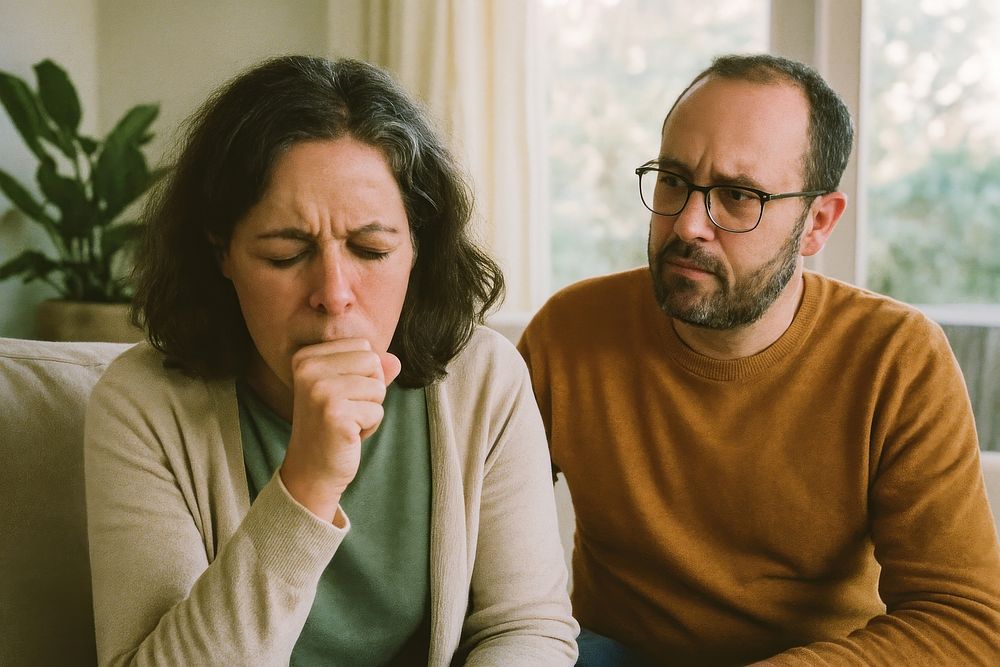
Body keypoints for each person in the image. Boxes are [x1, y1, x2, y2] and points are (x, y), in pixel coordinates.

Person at [84, 55, 577, 666]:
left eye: (371, 250)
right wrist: (307, 484)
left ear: (417, 247)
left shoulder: (484, 380)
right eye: (286, 254)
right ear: (222, 253)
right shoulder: (142, 406)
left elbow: (526, 629)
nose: (334, 293)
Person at [519, 53, 1000, 665]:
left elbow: (965, 622)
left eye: (738, 196)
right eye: (672, 180)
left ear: (816, 224)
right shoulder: (570, 331)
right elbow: (470, 543)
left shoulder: (897, 359)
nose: (689, 223)